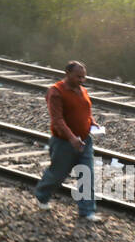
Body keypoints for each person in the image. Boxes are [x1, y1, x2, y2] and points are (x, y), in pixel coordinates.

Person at [33, 60, 101, 222]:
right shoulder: (55, 92)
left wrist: (91, 121)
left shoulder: (82, 90)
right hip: (63, 142)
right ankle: (41, 195)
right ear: (67, 73)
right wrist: (72, 138)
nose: (81, 80)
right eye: (78, 76)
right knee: (58, 174)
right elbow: (57, 120)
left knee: (87, 174)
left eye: (83, 77)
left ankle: (87, 211)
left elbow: (84, 110)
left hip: (84, 141)